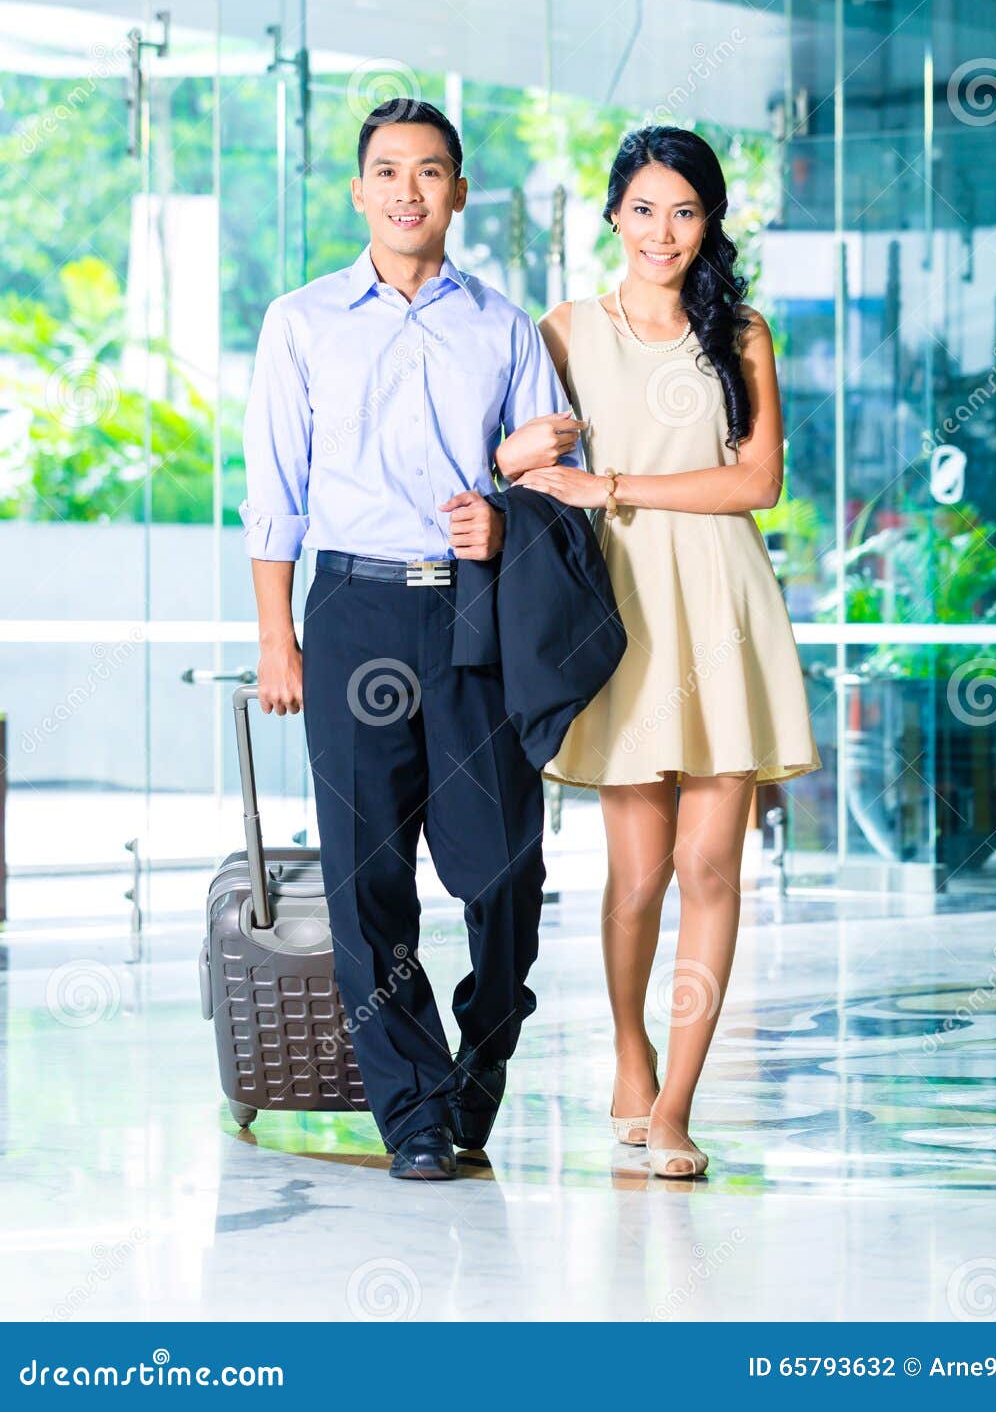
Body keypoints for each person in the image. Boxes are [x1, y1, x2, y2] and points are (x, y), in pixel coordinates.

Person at [239, 99, 583, 1180]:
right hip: (353, 611)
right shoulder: (300, 322)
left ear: (458, 192)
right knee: (366, 874)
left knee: (504, 873)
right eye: (385, 171)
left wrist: (500, 501)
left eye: (428, 171)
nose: (405, 190)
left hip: (472, 612)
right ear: (356, 190)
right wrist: (276, 640)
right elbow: (273, 492)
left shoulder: (502, 326)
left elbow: (560, 486)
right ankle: (414, 1113)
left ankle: (475, 1066)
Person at [495, 125, 820, 1179]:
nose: (662, 231)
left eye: (683, 210)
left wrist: (614, 486)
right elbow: (507, 452)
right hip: (620, 608)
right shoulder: (563, 331)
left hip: (720, 602)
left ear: (709, 221)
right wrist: (525, 459)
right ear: (612, 216)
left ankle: (677, 1102)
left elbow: (755, 482)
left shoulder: (743, 334)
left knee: (708, 864)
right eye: (642, 209)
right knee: (635, 875)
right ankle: (629, 1050)